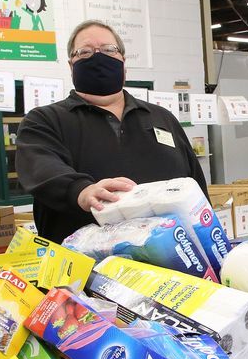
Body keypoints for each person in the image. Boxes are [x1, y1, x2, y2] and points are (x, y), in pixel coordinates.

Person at [16, 19, 208, 243]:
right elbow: (41, 168)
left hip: (174, 254)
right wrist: (81, 191)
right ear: (71, 65)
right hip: (84, 262)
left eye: (108, 50)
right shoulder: (44, 120)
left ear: (123, 61)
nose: (98, 57)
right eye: (85, 52)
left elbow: (195, 185)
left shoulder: (162, 118)